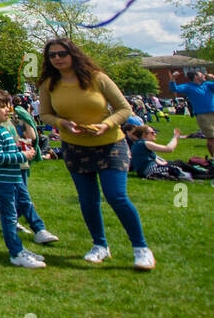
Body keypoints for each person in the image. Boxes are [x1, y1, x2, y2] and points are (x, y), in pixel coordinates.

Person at [37, 39, 153, 270]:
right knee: (88, 200)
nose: (57, 58)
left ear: (73, 54)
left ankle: (141, 248)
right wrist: (62, 123)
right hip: (75, 147)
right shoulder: (49, 84)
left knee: (115, 196)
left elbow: (124, 109)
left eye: (62, 53)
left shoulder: (97, 78)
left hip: (110, 144)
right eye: (52, 55)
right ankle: (100, 244)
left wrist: (106, 125)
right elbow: (45, 114)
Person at [0, 88, 59, 268]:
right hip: (2, 181)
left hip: (13, 178)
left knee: (25, 204)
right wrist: (23, 156)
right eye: (3, 107)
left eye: (8, 106)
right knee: (10, 217)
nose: (8, 110)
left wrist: (21, 151)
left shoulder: (1, 129)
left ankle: (25, 244)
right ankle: (16, 253)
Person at [168, 70, 214, 158]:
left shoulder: (207, 84)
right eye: (201, 74)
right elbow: (174, 89)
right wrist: (173, 78)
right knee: (211, 139)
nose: (204, 75)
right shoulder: (188, 87)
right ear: (196, 77)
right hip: (203, 116)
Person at [126, 123, 191, 181]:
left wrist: (169, 163)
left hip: (145, 171)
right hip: (150, 170)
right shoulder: (145, 143)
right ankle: (196, 174)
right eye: (152, 133)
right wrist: (175, 137)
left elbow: (158, 161)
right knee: (176, 168)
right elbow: (169, 149)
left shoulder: (138, 144)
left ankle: (198, 174)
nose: (154, 134)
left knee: (178, 163)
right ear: (144, 135)